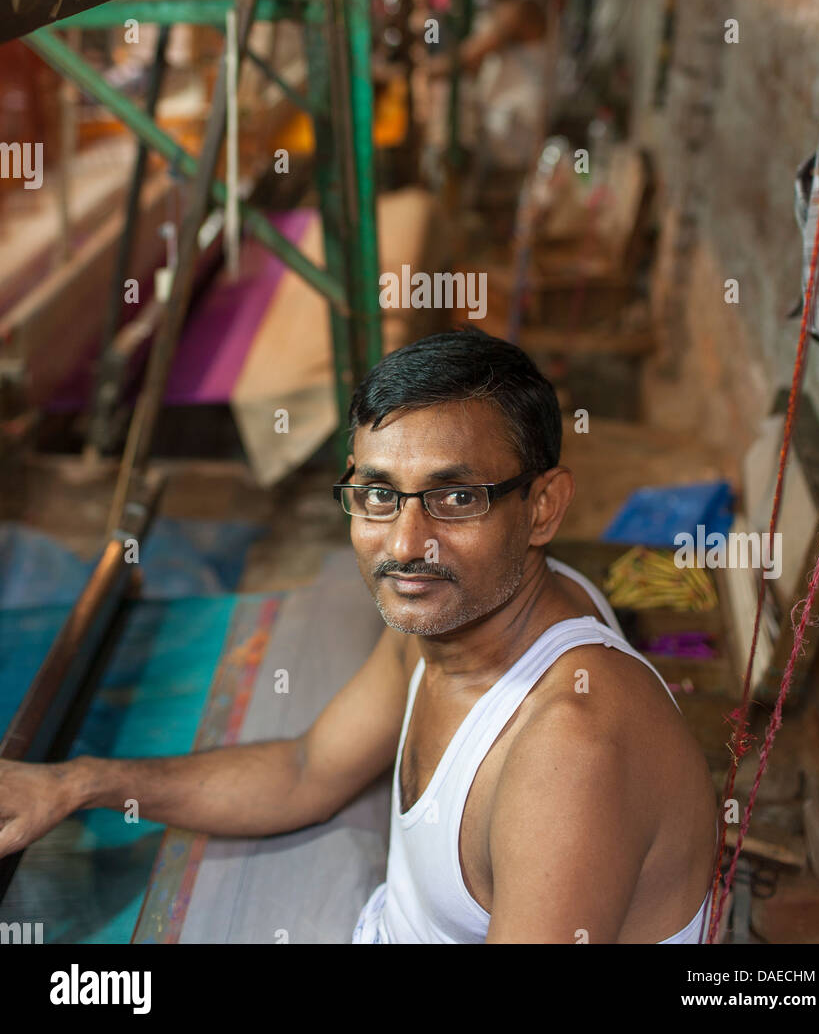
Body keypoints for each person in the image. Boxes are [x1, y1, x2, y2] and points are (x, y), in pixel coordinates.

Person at [0, 330, 717, 944]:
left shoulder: (567, 756)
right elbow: (309, 769)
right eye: (378, 494)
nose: (407, 544)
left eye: (455, 498)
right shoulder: (448, 619)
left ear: (543, 508)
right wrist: (79, 783)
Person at [428, 0, 547, 174]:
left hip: (518, 135)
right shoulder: (499, 9)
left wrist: (423, 70)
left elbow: (467, 57)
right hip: (504, 131)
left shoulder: (522, 10)